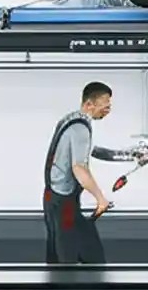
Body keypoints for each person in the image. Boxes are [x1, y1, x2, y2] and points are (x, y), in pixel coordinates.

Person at [43, 81, 142, 265]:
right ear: (89, 104)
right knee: (78, 258)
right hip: (64, 202)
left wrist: (130, 155)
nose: (108, 109)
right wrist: (100, 199)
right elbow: (79, 168)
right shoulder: (80, 129)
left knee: (62, 254)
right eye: (105, 104)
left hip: (54, 197)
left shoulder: (70, 120)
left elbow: (91, 150)